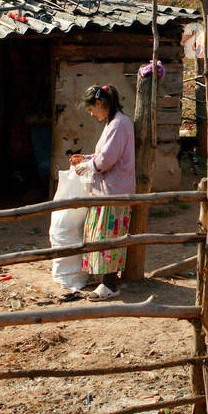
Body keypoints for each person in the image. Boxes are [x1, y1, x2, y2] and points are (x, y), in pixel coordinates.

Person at [70, 84, 135, 300]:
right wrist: (86, 159)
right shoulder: (113, 123)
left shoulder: (118, 124)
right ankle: (105, 281)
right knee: (103, 237)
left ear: (99, 103)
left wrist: (87, 166)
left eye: (91, 109)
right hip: (107, 191)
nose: (91, 114)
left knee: (109, 239)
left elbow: (106, 160)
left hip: (114, 192)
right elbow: (103, 155)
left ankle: (109, 284)